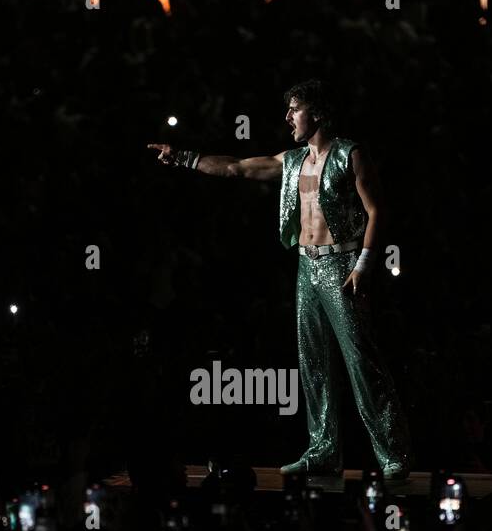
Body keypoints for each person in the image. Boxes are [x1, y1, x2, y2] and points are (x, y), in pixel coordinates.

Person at [148, 79, 411, 480]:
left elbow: (377, 211)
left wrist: (363, 267)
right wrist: (184, 157)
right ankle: (323, 451)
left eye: (295, 108)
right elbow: (238, 167)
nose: (287, 117)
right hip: (307, 269)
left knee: (361, 361)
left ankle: (393, 454)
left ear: (317, 112)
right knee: (314, 364)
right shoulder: (293, 160)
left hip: (342, 269)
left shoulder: (349, 154)